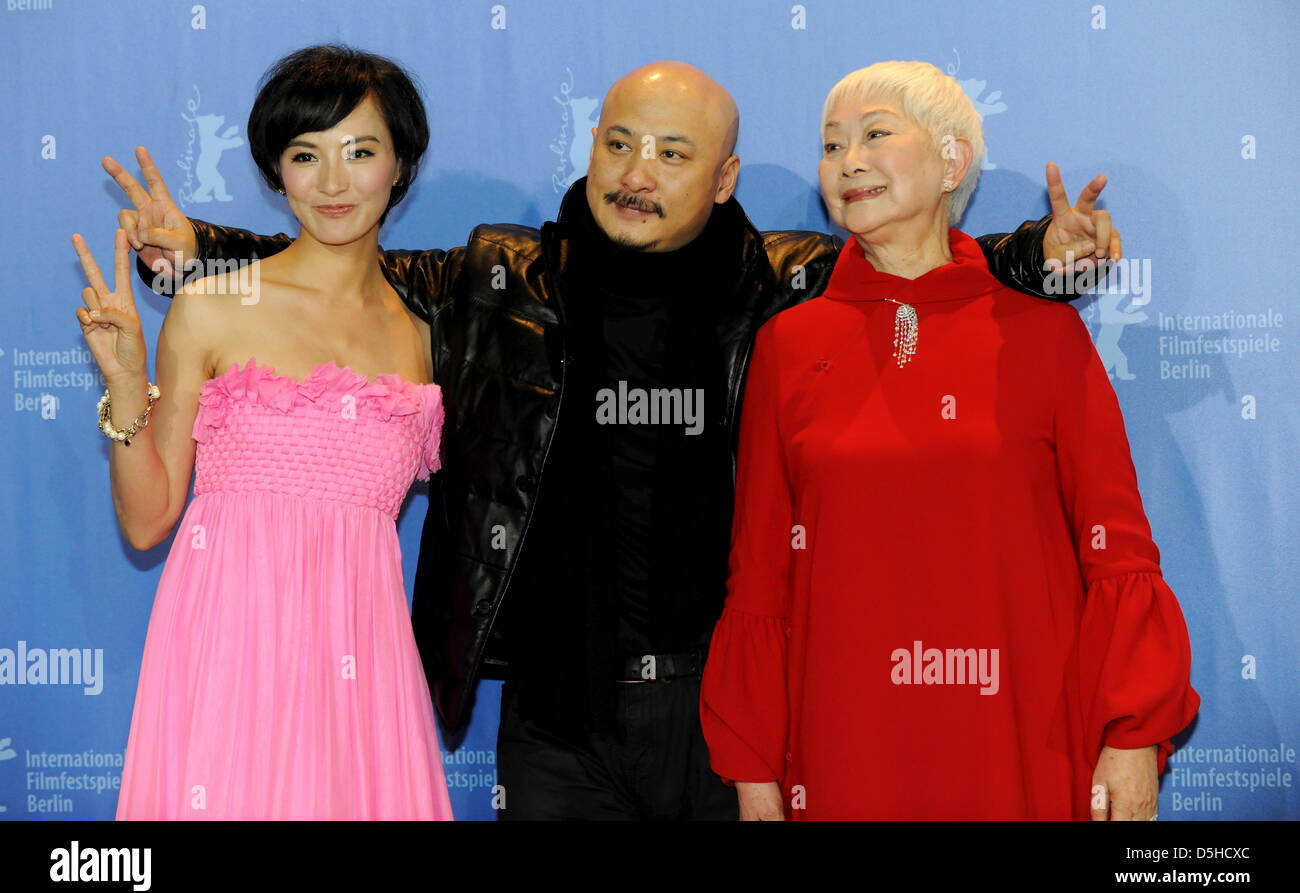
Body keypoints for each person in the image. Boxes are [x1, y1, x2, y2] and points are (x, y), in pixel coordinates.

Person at [115, 60, 1119, 820]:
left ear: (724, 178)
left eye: (673, 155)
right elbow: (339, 253)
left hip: (714, 708)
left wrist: (1038, 252)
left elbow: (914, 249)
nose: (638, 174)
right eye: (619, 144)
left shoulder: (784, 281)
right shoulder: (500, 276)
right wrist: (205, 246)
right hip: (553, 712)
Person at [698, 60, 1200, 821]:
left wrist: (1131, 735)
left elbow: (1117, 549)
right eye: (832, 146)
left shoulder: (1044, 332)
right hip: (847, 744)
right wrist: (754, 767)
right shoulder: (786, 345)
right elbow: (761, 574)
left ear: (952, 161)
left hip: (1027, 736)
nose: (847, 161)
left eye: (874, 135)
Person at [75, 45, 453, 819]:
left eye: (361, 151)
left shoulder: (426, 333)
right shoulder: (211, 305)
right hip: (227, 656)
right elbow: (148, 520)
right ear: (277, 172)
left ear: (401, 166)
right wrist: (122, 388)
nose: (334, 181)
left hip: (364, 672)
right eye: (305, 155)